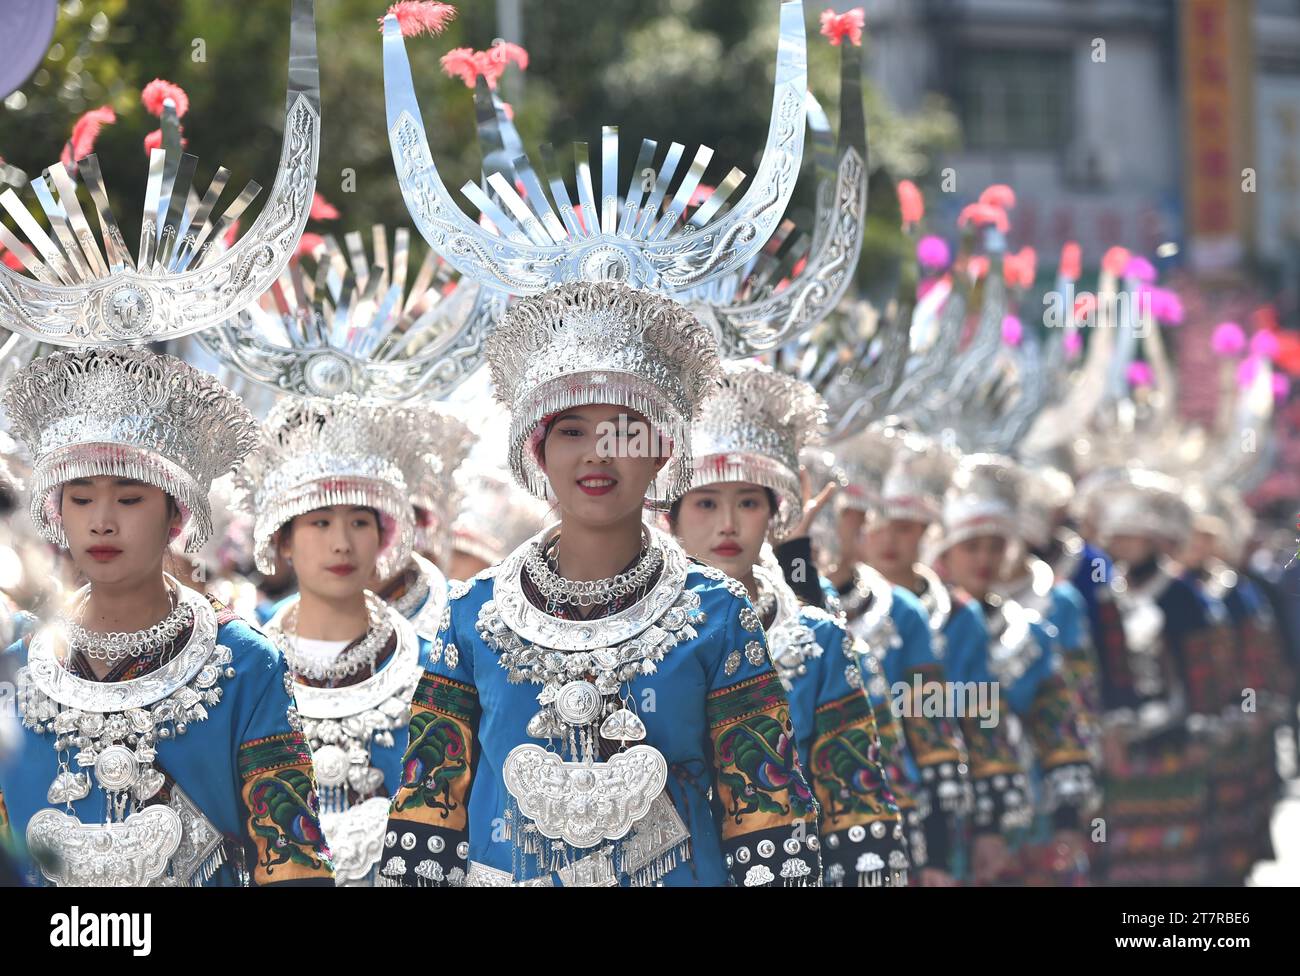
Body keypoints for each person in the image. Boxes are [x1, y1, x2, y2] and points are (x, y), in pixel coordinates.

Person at [380, 282, 821, 887]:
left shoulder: (718, 615)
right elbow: (428, 816)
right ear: (537, 451)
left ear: (662, 450)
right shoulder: (474, 613)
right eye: (571, 431)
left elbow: (766, 819)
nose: (597, 454)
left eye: (623, 431)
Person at [0, 347, 332, 886]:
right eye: (81, 499)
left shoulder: (245, 665)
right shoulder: (14, 673)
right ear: (57, 513)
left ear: (176, 514)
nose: (102, 523)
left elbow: (292, 860)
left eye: (130, 499)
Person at [668, 361, 910, 886]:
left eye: (748, 503)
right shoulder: (636, 638)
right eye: (706, 503)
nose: (728, 523)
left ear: (773, 516)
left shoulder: (820, 641)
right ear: (671, 517)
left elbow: (856, 797)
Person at [237, 394, 436, 885]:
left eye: (359, 521)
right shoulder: (244, 673)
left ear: (383, 536)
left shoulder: (432, 666)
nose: (342, 543)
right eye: (320, 521)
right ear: (284, 540)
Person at [931, 454, 1095, 883]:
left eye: (996, 546)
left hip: (1025, 807)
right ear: (944, 552)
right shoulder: (924, 631)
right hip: (944, 815)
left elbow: (1058, 721)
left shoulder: (1031, 633)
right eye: (971, 546)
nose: (985, 559)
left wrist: (1068, 817)